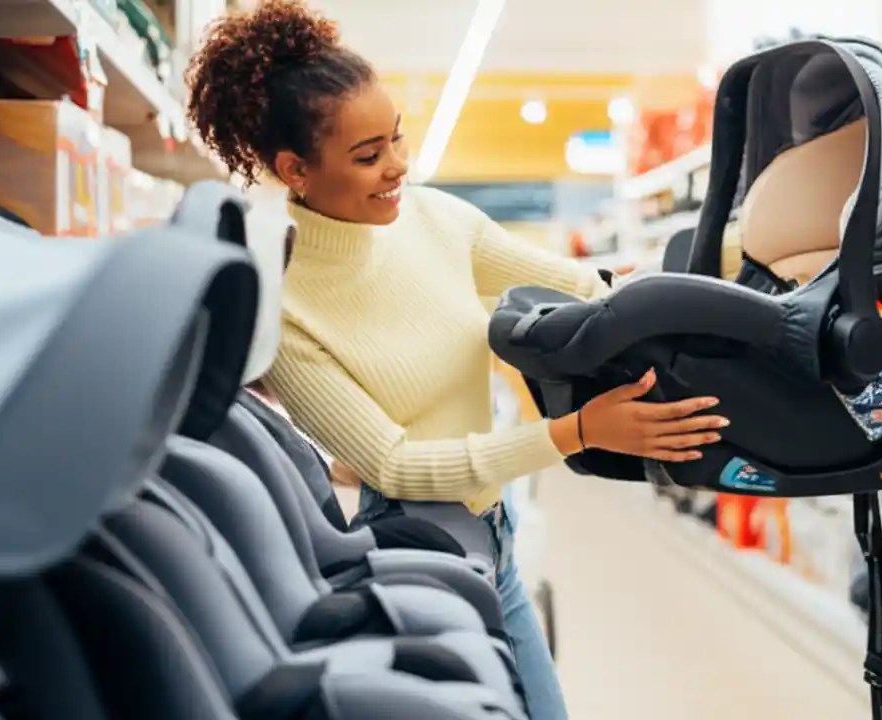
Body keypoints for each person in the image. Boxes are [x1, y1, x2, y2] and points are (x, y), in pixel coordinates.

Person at [185, 3, 730, 717]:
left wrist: (716, 300)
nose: (397, 167)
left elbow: (588, 288)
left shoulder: (438, 220)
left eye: (397, 140)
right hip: (424, 547)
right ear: (296, 169)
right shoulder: (291, 311)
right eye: (367, 154)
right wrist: (580, 432)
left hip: (492, 531)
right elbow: (395, 464)